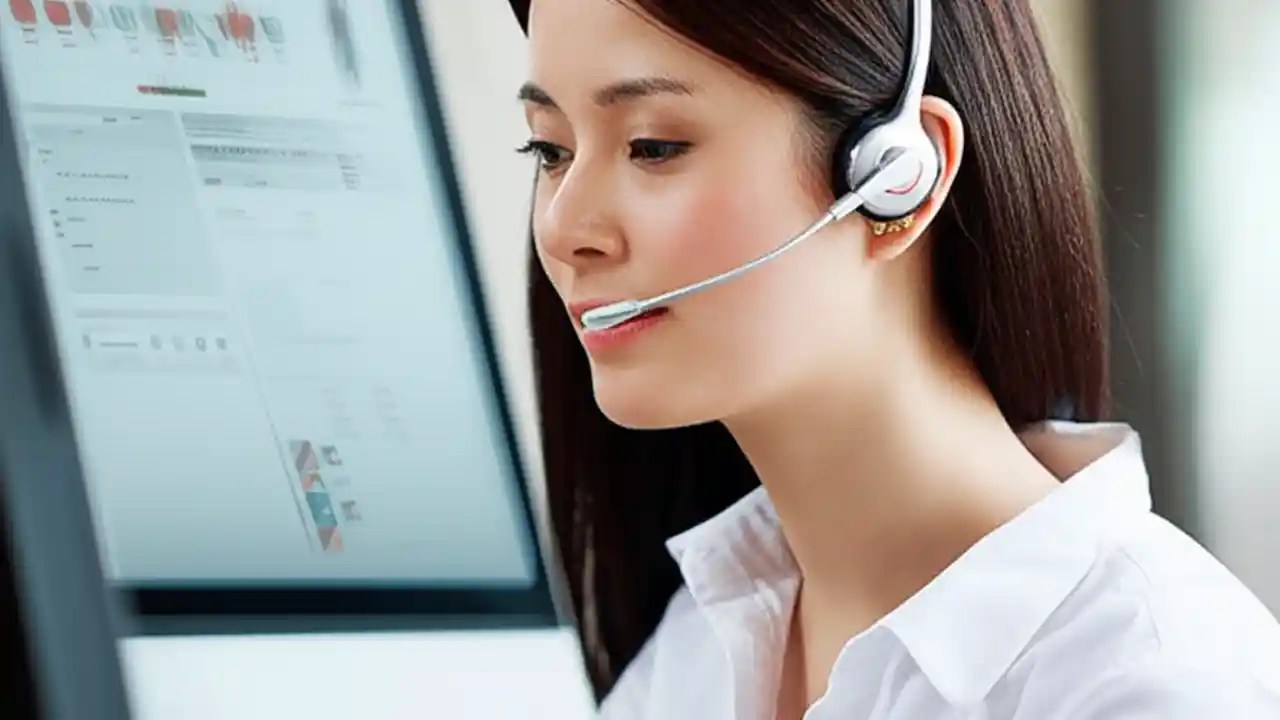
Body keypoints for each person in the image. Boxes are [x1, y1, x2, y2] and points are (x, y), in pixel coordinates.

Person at [509, 0, 1280, 717]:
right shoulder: (698, 648)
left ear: (895, 177)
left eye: (653, 146)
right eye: (551, 149)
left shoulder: (1154, 681)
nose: (565, 225)